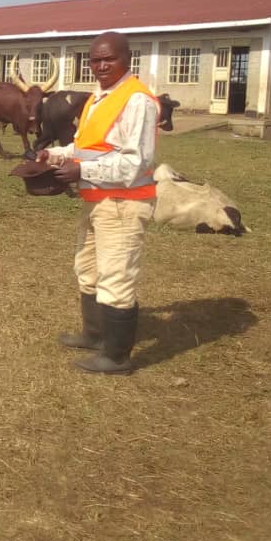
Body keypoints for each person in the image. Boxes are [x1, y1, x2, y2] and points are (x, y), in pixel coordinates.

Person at [35, 31, 160, 375]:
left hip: (122, 202)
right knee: (87, 270)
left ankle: (117, 356)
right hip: (96, 199)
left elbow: (136, 163)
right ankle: (94, 334)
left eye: (109, 58)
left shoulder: (138, 101)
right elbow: (82, 147)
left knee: (116, 277)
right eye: (95, 60)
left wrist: (81, 170)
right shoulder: (98, 99)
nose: (101, 65)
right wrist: (54, 155)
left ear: (127, 58)